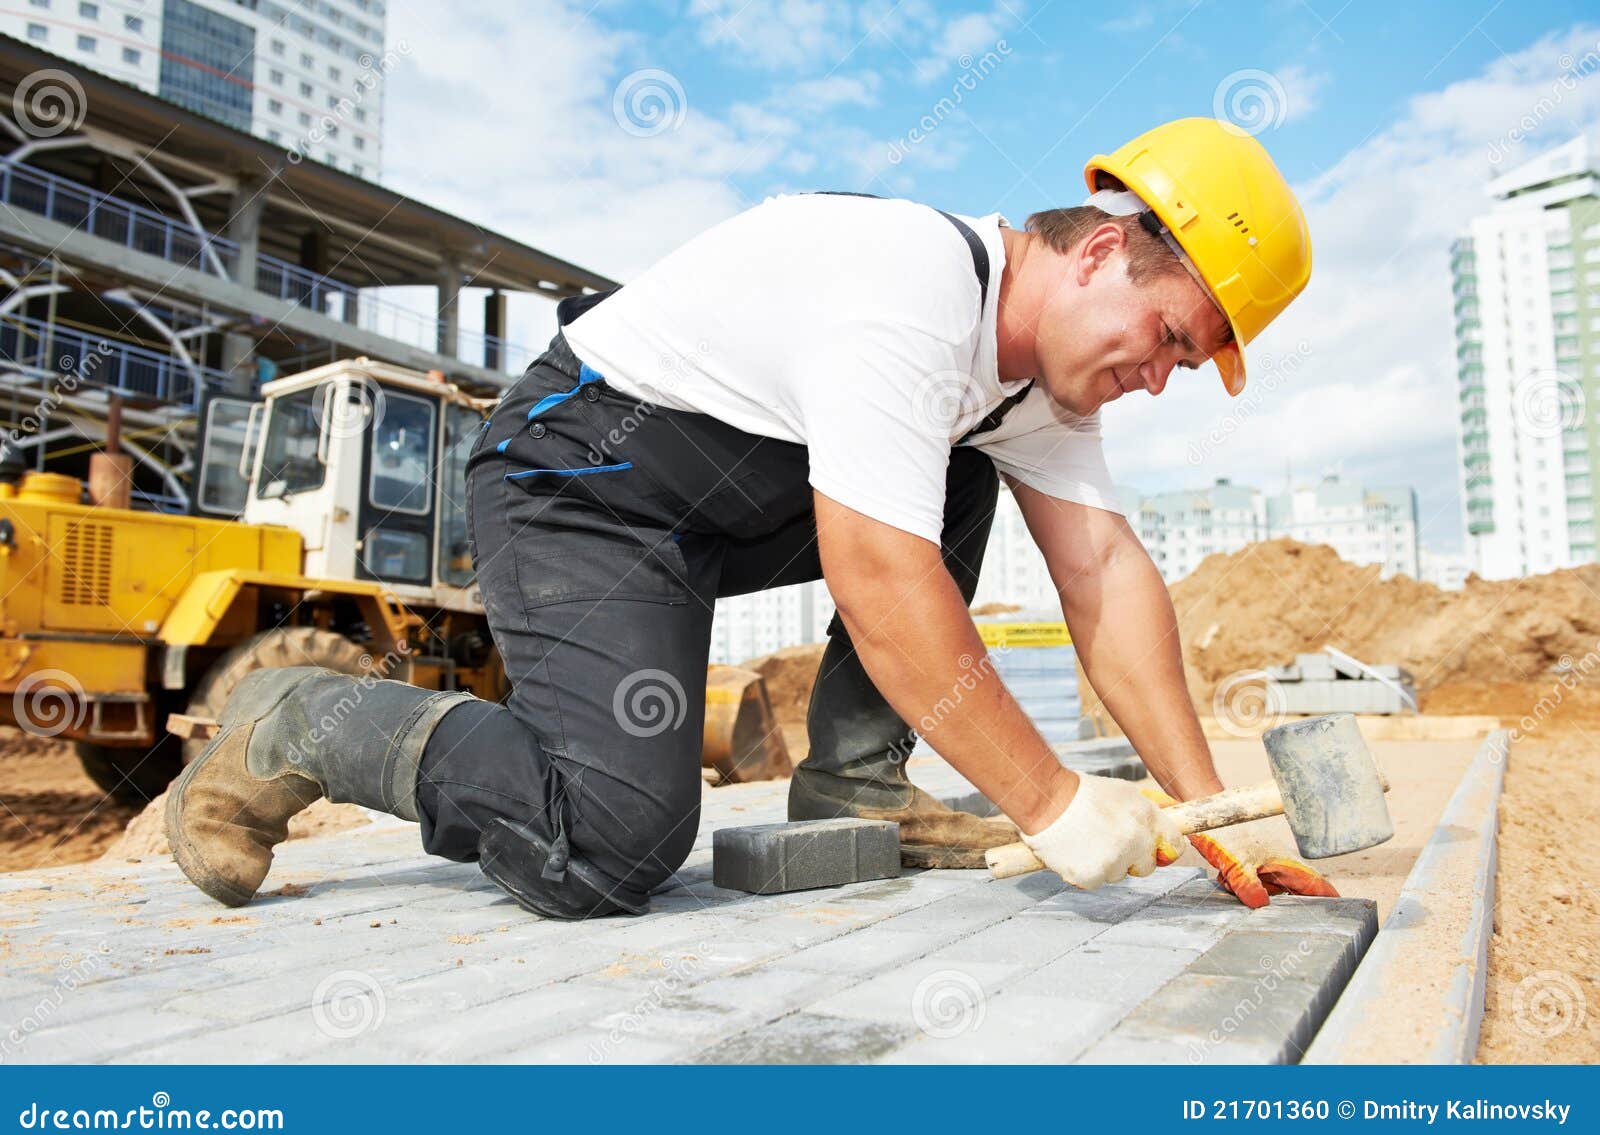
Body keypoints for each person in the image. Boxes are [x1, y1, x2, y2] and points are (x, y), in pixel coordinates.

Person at [165, 117, 1328, 919]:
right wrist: (1052, 804)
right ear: (1106, 252)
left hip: (710, 507)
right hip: (574, 483)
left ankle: (858, 783)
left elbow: (1106, 576)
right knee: (608, 848)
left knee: (961, 468)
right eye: (1171, 339)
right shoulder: (911, 286)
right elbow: (876, 573)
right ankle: (303, 719)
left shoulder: (1035, 389)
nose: (1162, 378)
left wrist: (1208, 816)